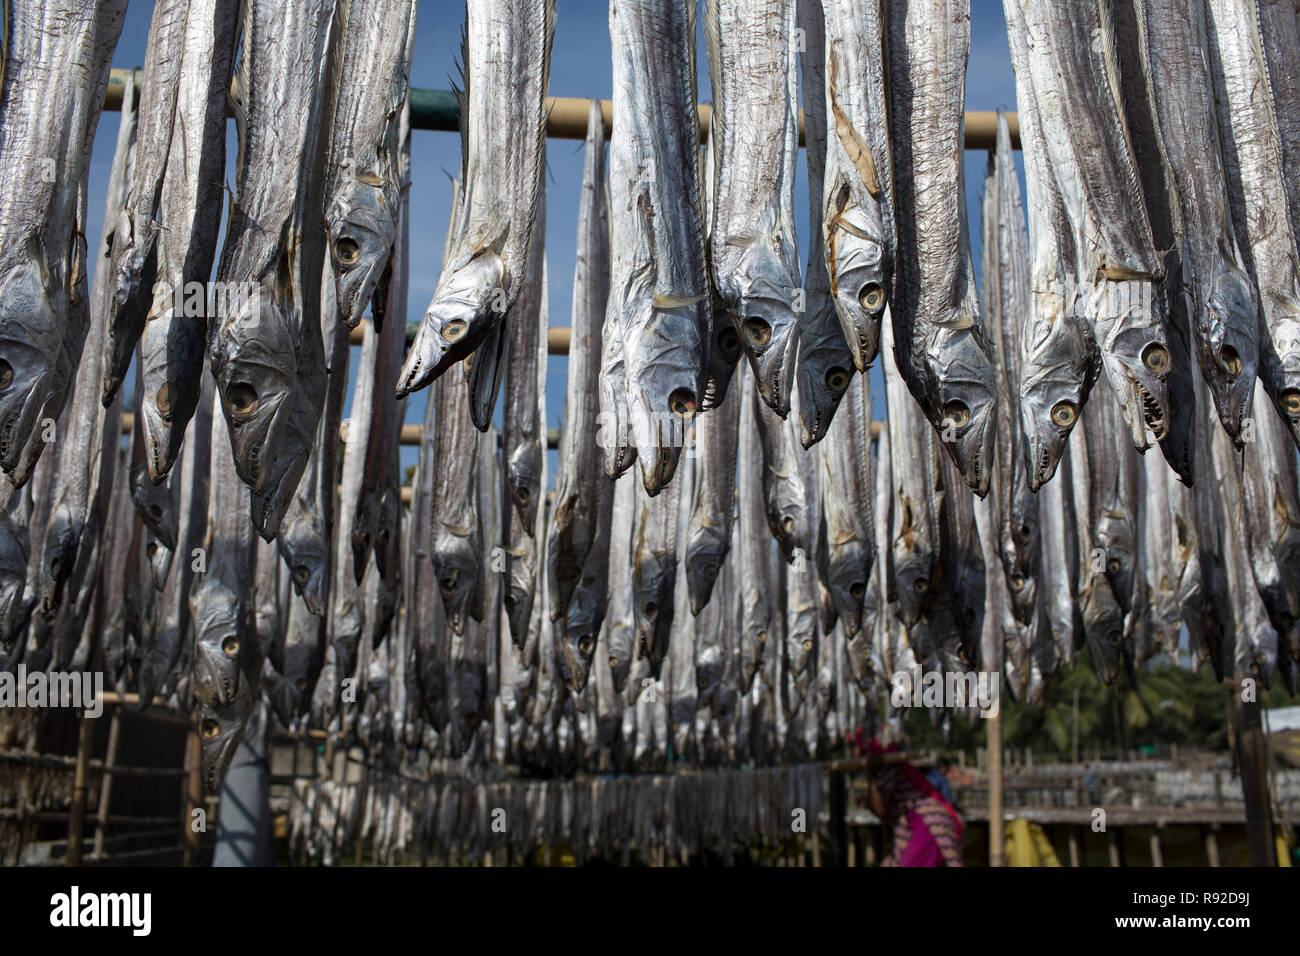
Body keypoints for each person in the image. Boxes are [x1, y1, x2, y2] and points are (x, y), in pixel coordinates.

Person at [866, 741, 965, 867]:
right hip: (914, 827)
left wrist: (871, 777)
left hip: (929, 824)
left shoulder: (889, 773)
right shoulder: (897, 772)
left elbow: (880, 809)